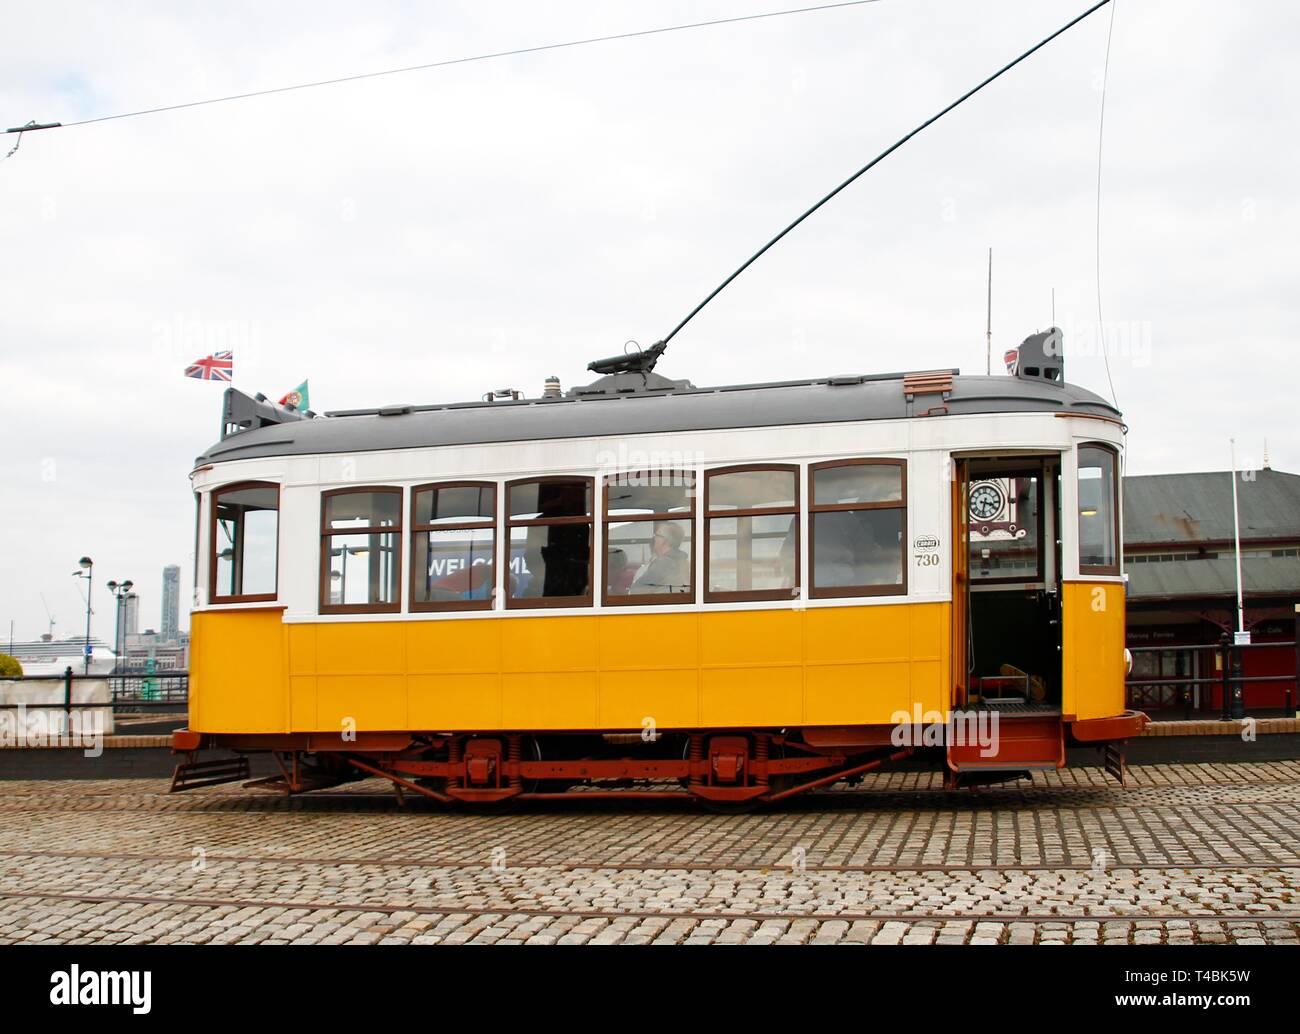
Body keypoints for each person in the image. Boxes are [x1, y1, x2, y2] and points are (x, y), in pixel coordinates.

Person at [629, 521, 689, 595]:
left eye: (656, 535)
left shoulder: (663, 563)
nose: (654, 539)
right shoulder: (683, 560)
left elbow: (636, 590)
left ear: (664, 540)